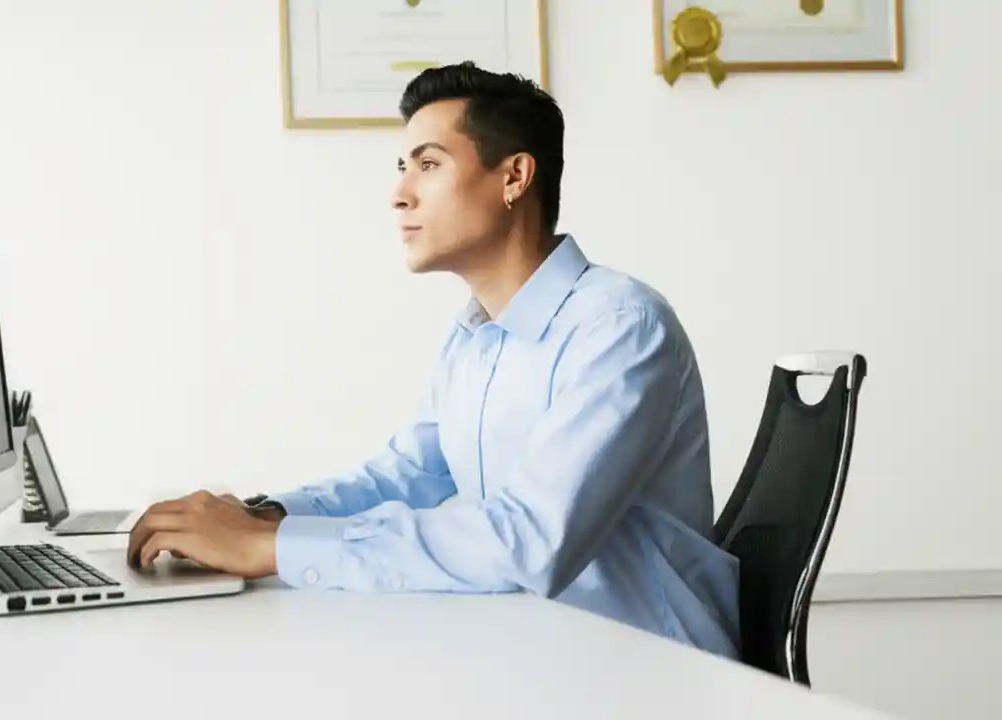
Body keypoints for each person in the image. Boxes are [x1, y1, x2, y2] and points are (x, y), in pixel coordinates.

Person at [126, 62, 740, 659]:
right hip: (536, 646)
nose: (399, 195)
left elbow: (528, 541)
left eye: (427, 164)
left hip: (649, 668)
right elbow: (408, 474)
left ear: (514, 177)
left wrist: (273, 547)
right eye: (402, 168)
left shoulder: (619, 328)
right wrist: (268, 515)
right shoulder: (475, 334)